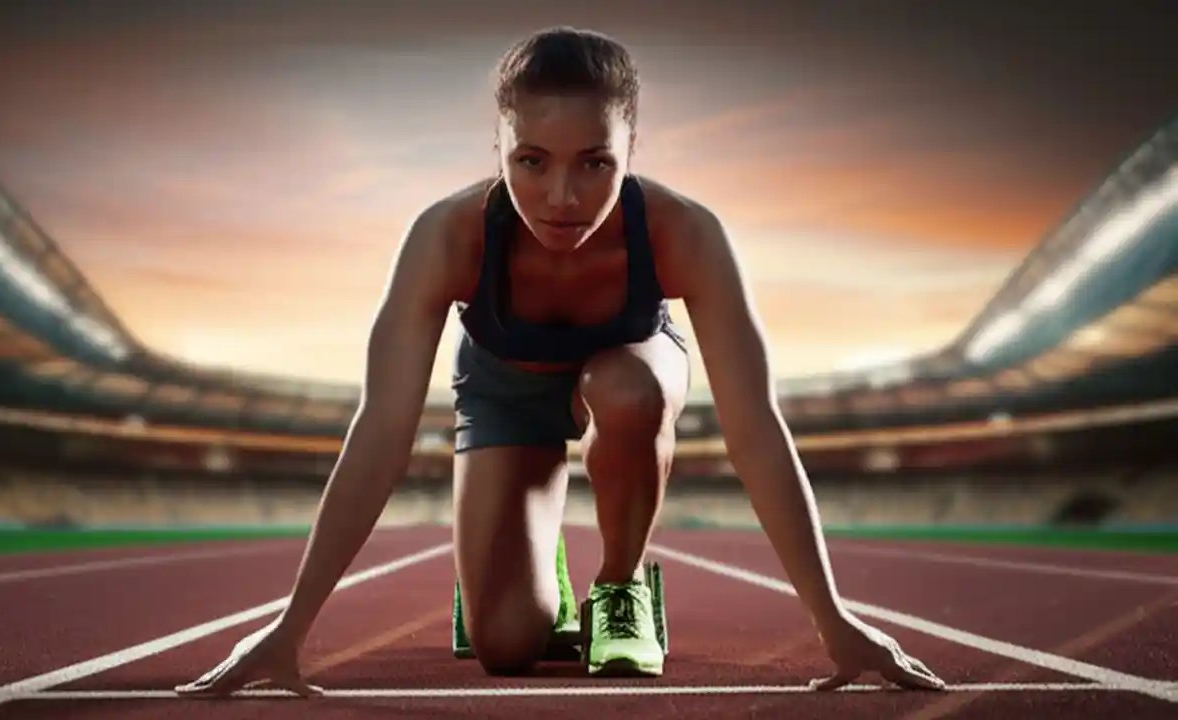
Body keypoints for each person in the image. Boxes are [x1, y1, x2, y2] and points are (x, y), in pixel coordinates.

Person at [176, 26, 945, 696]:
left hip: (629, 379)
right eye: (533, 161)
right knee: (505, 647)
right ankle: (511, 566)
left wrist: (832, 619)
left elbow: (754, 430)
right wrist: (290, 626)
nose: (562, 197)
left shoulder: (685, 234)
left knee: (627, 387)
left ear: (632, 151)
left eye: (595, 164)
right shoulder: (447, 238)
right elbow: (381, 432)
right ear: (499, 149)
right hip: (505, 396)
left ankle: (621, 585)